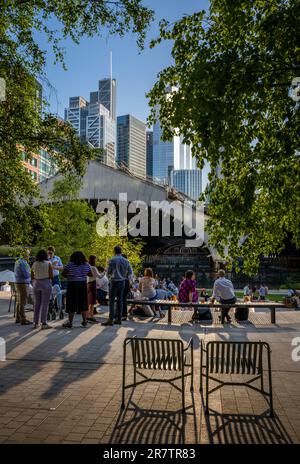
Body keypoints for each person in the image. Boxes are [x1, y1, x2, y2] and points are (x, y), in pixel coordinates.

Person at [102, 246, 133, 326]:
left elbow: (108, 272)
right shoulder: (126, 261)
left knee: (112, 301)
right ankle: (119, 319)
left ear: (114, 251)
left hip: (114, 281)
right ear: (121, 251)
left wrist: (110, 275)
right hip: (122, 282)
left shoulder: (112, 260)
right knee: (120, 300)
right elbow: (130, 273)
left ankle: (111, 319)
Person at [61, 251, 93, 329]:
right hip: (82, 284)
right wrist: (83, 274)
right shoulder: (86, 265)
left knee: (71, 303)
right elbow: (90, 274)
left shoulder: (70, 265)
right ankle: (84, 322)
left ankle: (70, 322)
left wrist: (70, 276)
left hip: (72, 284)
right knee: (83, 303)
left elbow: (63, 274)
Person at [31, 249, 53, 329]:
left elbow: (32, 275)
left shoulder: (34, 264)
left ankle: (35, 323)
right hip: (46, 283)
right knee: (45, 304)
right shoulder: (48, 263)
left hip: (36, 283)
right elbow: (51, 275)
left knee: (37, 304)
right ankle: (43, 323)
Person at [14, 249, 32, 325]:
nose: (29, 256)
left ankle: (18, 317)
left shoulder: (18, 261)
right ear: (24, 254)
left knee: (19, 301)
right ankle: (23, 319)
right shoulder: (23, 263)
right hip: (23, 283)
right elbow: (26, 275)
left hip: (18, 282)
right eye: (28, 254)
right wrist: (32, 273)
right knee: (23, 301)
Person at [87, 255, 105, 323]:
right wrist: (104, 272)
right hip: (93, 283)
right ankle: (90, 316)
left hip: (88, 283)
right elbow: (100, 276)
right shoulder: (93, 268)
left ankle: (88, 315)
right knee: (92, 301)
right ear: (94, 260)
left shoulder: (87, 266)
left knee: (88, 300)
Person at [47, 246, 63, 316]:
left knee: (58, 293)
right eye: (48, 253)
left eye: (51, 253)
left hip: (56, 277)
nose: (49, 254)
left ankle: (59, 308)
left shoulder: (57, 258)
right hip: (48, 278)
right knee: (49, 293)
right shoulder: (46, 259)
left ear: (53, 252)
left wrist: (54, 267)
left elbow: (62, 267)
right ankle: (51, 308)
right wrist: (50, 266)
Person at [121, 254, 131, 321]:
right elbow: (130, 274)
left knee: (120, 299)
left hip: (121, 281)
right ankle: (124, 315)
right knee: (124, 300)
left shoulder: (120, 264)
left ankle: (120, 314)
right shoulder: (128, 264)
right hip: (126, 282)